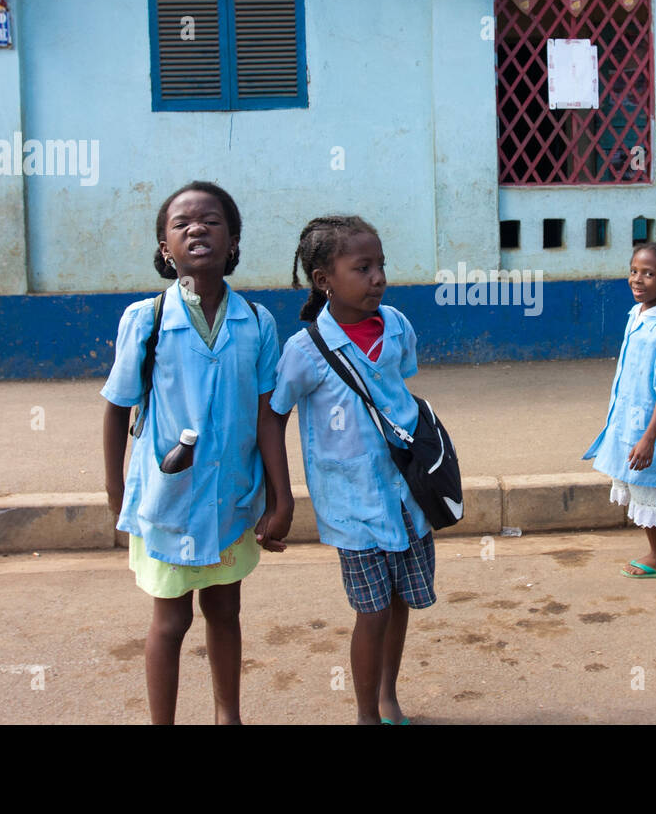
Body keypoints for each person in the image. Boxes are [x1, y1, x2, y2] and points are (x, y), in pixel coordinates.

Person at [102, 181, 293, 724]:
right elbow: (117, 408)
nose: (196, 229)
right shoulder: (147, 318)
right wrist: (118, 495)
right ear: (165, 248)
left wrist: (281, 498)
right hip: (168, 501)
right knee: (170, 621)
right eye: (180, 224)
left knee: (225, 609)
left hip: (231, 496)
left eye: (210, 220)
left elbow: (267, 418)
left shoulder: (257, 322)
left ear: (233, 241)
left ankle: (226, 716)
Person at [270, 215, 434, 725]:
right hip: (353, 504)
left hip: (408, 494)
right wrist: (280, 497)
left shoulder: (397, 326)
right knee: (373, 610)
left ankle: (388, 695)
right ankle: (366, 713)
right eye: (362, 268)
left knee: (402, 601)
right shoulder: (305, 351)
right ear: (323, 279)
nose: (378, 277)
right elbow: (273, 414)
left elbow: (399, 390)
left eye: (381, 265)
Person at [583, 242, 656, 578]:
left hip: (649, 429)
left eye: (649, 274)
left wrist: (649, 438)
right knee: (639, 483)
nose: (638, 279)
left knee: (645, 488)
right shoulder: (638, 314)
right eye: (634, 271)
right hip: (628, 422)